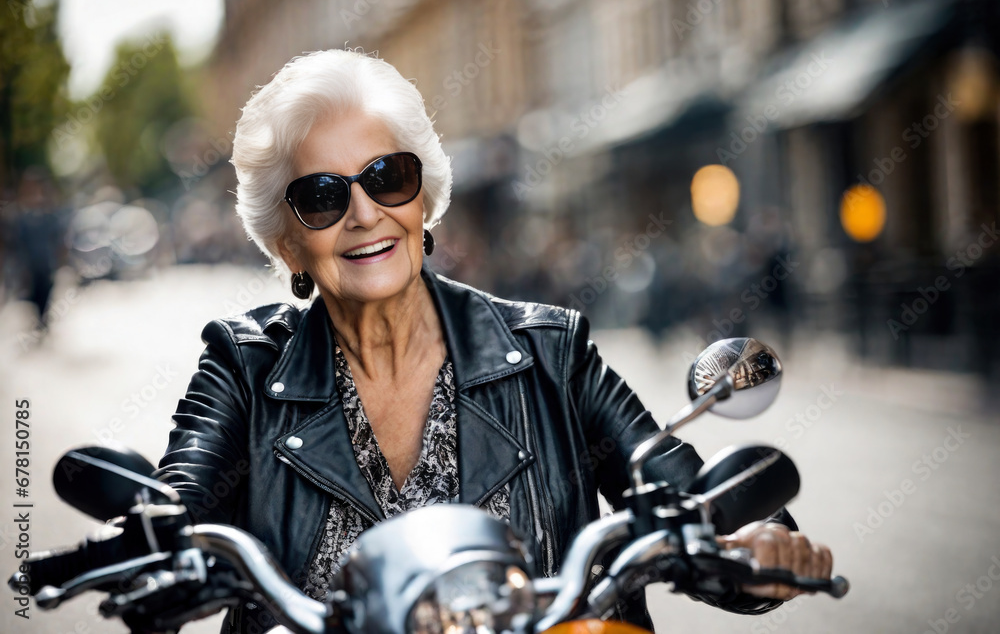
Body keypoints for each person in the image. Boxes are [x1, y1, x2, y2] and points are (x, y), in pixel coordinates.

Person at [154, 49, 833, 633]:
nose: (365, 213)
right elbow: (174, 504)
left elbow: (679, 495)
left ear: (423, 199)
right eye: (324, 196)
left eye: (388, 177)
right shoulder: (244, 365)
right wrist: (150, 536)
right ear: (287, 239)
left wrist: (751, 543)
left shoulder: (552, 352)